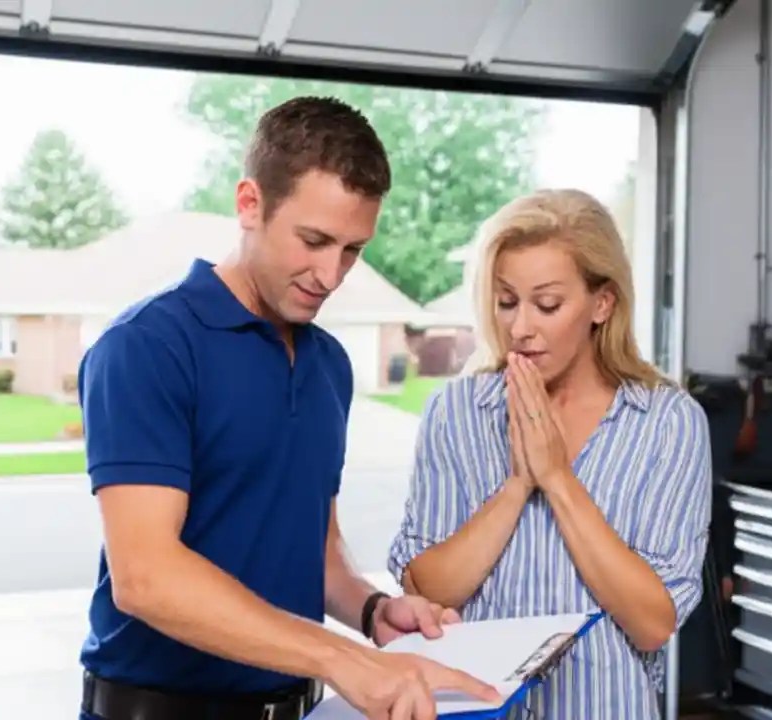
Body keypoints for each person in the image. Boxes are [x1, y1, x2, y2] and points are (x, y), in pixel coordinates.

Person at [75, 96, 500, 720]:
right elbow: (147, 577)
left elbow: (317, 551)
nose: (330, 274)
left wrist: (372, 611)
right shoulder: (148, 346)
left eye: (353, 249)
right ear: (250, 204)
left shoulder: (330, 364)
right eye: (314, 240)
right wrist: (342, 658)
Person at [388, 189, 712, 719]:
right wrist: (518, 485)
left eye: (547, 304)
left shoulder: (668, 422)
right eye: (506, 301)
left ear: (601, 304)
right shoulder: (457, 412)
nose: (520, 328)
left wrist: (558, 478)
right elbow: (428, 589)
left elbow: (653, 623)